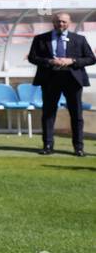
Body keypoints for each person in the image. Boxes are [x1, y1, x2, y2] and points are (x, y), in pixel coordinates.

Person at [27, 11, 92, 156]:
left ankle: (78, 147)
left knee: (76, 115)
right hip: (50, 79)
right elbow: (32, 57)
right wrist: (49, 61)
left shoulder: (79, 39)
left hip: (73, 80)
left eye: (63, 21)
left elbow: (90, 58)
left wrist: (73, 61)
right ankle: (48, 145)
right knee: (49, 113)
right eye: (58, 21)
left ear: (69, 23)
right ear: (53, 22)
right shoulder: (40, 39)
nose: (60, 24)